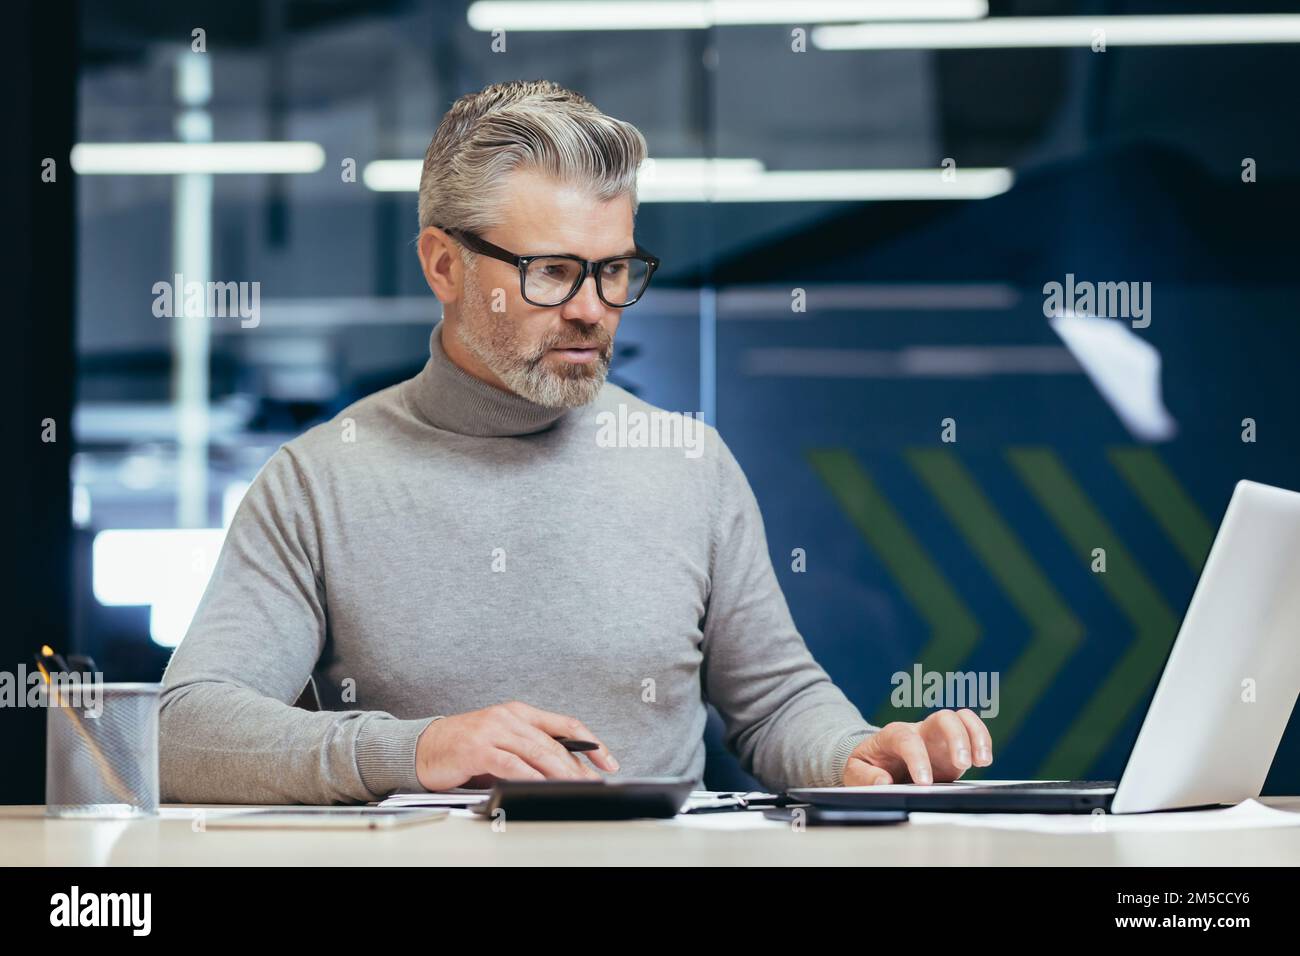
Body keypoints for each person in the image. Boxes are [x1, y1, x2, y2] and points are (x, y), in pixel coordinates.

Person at [159, 79, 992, 804]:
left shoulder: (688, 465)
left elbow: (775, 707)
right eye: (552, 271)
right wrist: (413, 751)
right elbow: (181, 732)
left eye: (615, 269)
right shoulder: (318, 482)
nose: (594, 309)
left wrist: (852, 754)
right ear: (444, 266)